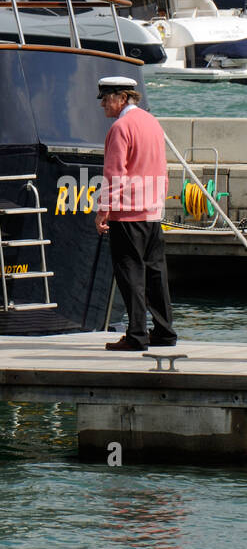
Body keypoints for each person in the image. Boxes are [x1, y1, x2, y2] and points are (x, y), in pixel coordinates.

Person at [94, 75, 176, 352]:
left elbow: (114, 173)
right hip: (152, 210)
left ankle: (137, 334)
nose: (104, 105)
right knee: (155, 273)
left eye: (107, 99)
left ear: (122, 97)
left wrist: (103, 210)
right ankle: (164, 332)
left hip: (128, 213)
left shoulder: (121, 127)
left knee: (130, 274)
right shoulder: (151, 122)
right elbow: (162, 166)